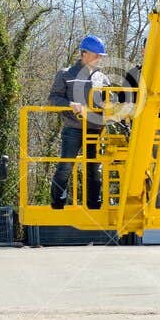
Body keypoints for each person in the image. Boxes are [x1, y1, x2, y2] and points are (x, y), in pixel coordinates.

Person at [48, 36, 109, 209]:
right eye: (96, 54)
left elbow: (109, 100)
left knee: (94, 168)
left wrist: (108, 105)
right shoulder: (66, 74)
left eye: (101, 55)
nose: (99, 58)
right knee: (66, 165)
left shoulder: (102, 78)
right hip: (73, 127)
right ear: (84, 54)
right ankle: (58, 200)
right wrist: (70, 104)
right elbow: (53, 98)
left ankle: (94, 202)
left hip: (96, 128)